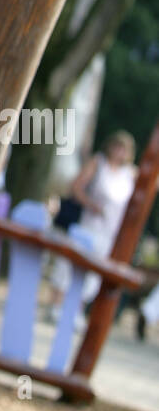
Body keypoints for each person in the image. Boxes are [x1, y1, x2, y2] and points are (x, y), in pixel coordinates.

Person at [50, 130, 138, 310]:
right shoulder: (98, 163)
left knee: (95, 271)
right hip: (89, 222)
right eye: (117, 147)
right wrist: (91, 204)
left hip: (111, 228)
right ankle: (57, 304)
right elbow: (75, 186)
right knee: (72, 262)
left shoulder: (130, 173)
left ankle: (77, 309)